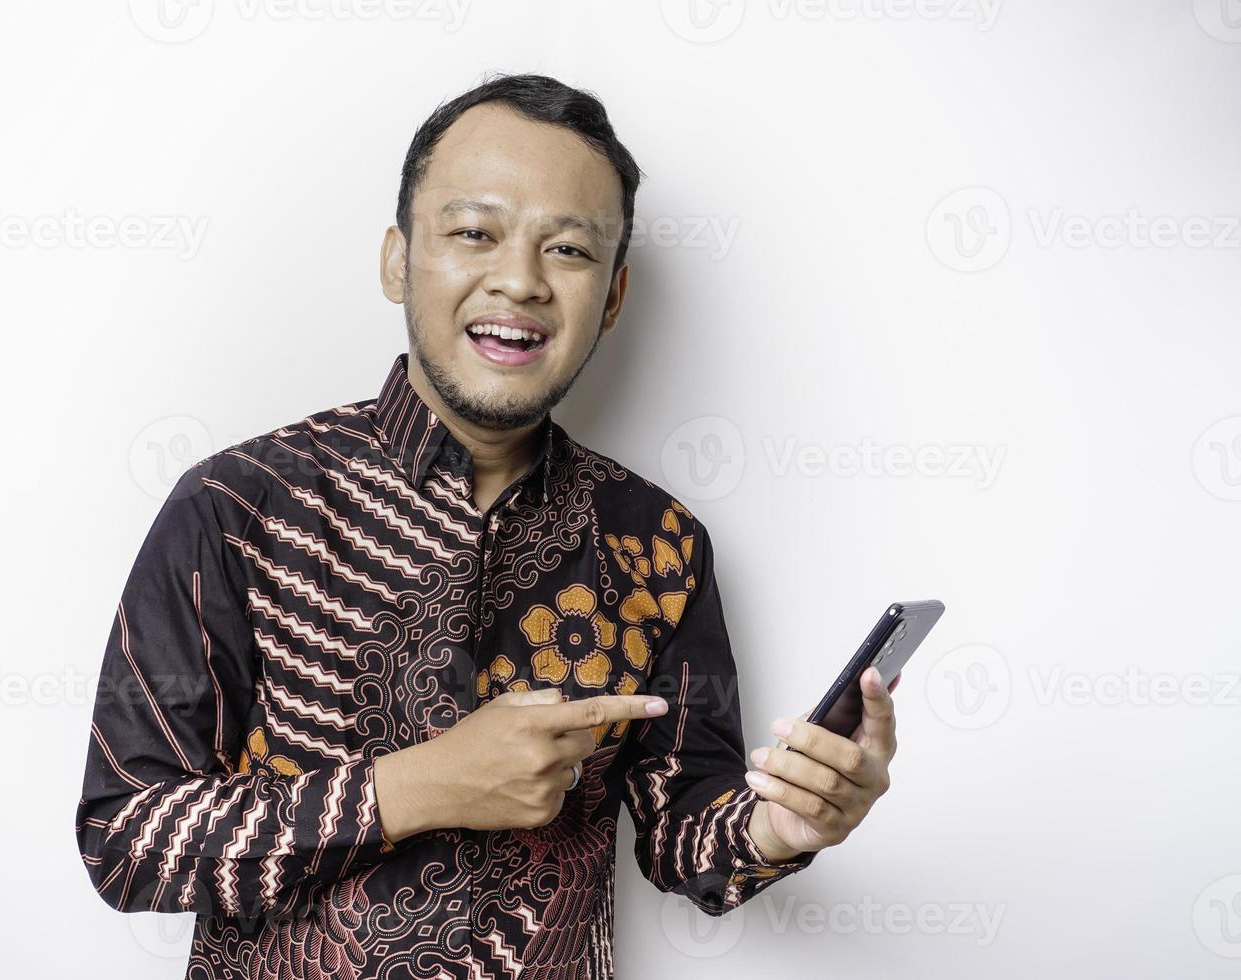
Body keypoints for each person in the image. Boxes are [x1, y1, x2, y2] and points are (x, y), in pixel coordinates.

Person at [74, 71, 898, 980]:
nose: (520, 280)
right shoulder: (236, 509)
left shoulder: (658, 543)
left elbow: (686, 842)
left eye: (570, 252)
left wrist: (786, 824)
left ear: (613, 299)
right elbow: (125, 840)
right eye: (474, 233)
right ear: (398, 259)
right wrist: (423, 784)